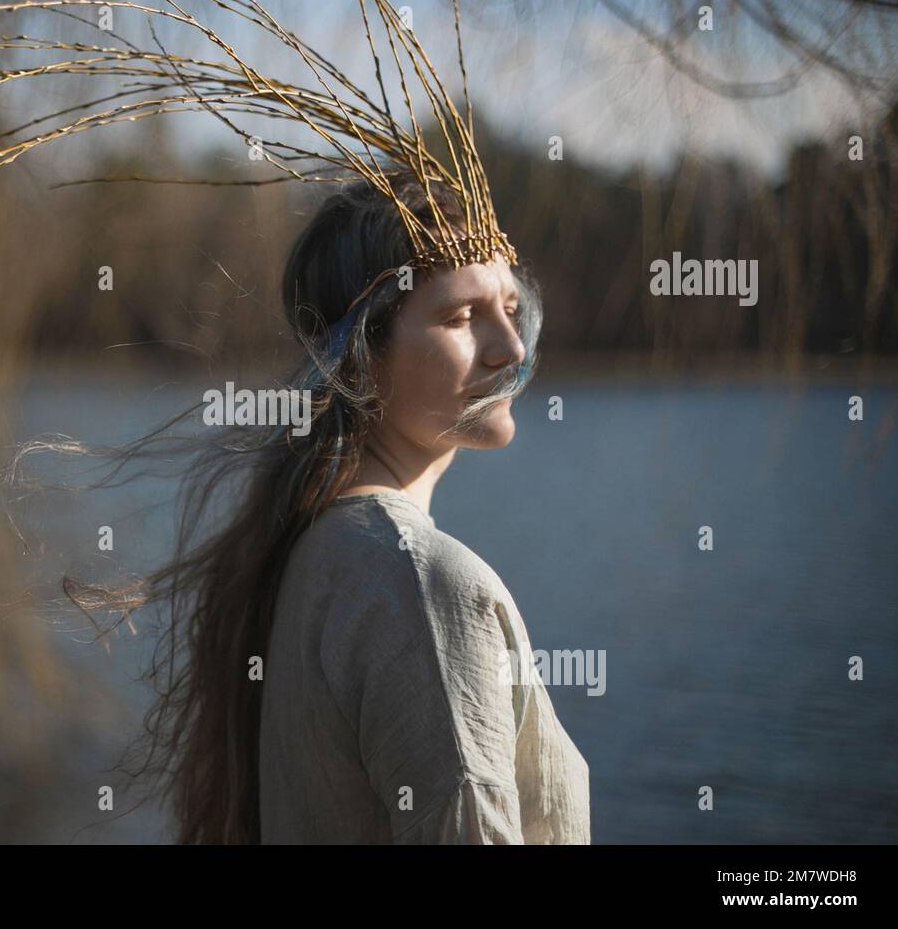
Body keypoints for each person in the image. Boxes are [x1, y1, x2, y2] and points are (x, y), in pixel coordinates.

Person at [37, 169, 588, 843]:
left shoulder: (320, 551)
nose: (512, 346)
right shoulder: (418, 585)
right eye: (461, 316)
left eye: (509, 306)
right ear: (360, 360)